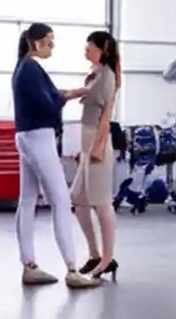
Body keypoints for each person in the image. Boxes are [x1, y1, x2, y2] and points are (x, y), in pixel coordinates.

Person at [11, 22, 99, 289]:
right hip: (39, 137)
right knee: (61, 200)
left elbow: (50, 96)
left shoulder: (25, 68)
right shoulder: (30, 70)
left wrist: (75, 92)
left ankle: (29, 265)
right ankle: (72, 269)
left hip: (25, 136)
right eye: (49, 42)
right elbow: (48, 102)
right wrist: (68, 97)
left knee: (27, 199)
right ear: (36, 42)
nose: (52, 46)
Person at [71, 31, 121, 281]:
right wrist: (84, 150)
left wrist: (97, 148)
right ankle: (94, 253)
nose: (86, 51)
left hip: (98, 144)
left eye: (90, 47)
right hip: (87, 143)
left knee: (101, 203)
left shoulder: (108, 77)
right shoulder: (94, 75)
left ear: (102, 50)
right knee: (79, 200)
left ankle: (107, 259)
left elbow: (105, 117)